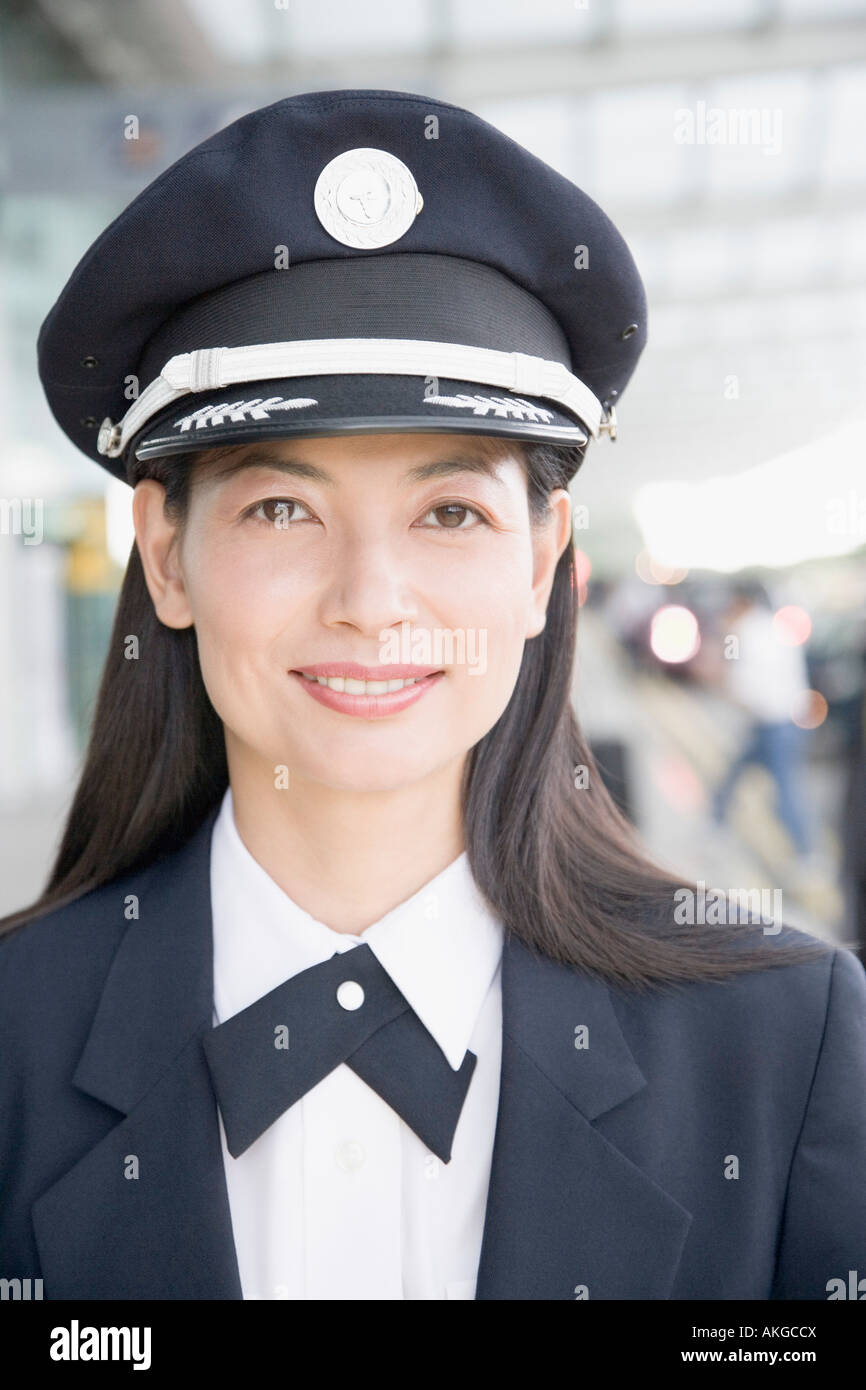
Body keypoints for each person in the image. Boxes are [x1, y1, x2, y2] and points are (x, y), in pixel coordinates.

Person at [1, 88, 865, 1302]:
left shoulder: (786, 1045)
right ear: (165, 554)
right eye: (282, 507)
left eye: (448, 511)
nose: (370, 598)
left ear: (538, 560)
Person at [712, 581, 815, 859]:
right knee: (736, 775)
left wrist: (725, 685)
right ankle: (716, 823)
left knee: (784, 791)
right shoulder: (775, 628)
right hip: (784, 721)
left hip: (773, 724)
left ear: (742, 602)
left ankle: (807, 854)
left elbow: (742, 683)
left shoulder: (745, 631)